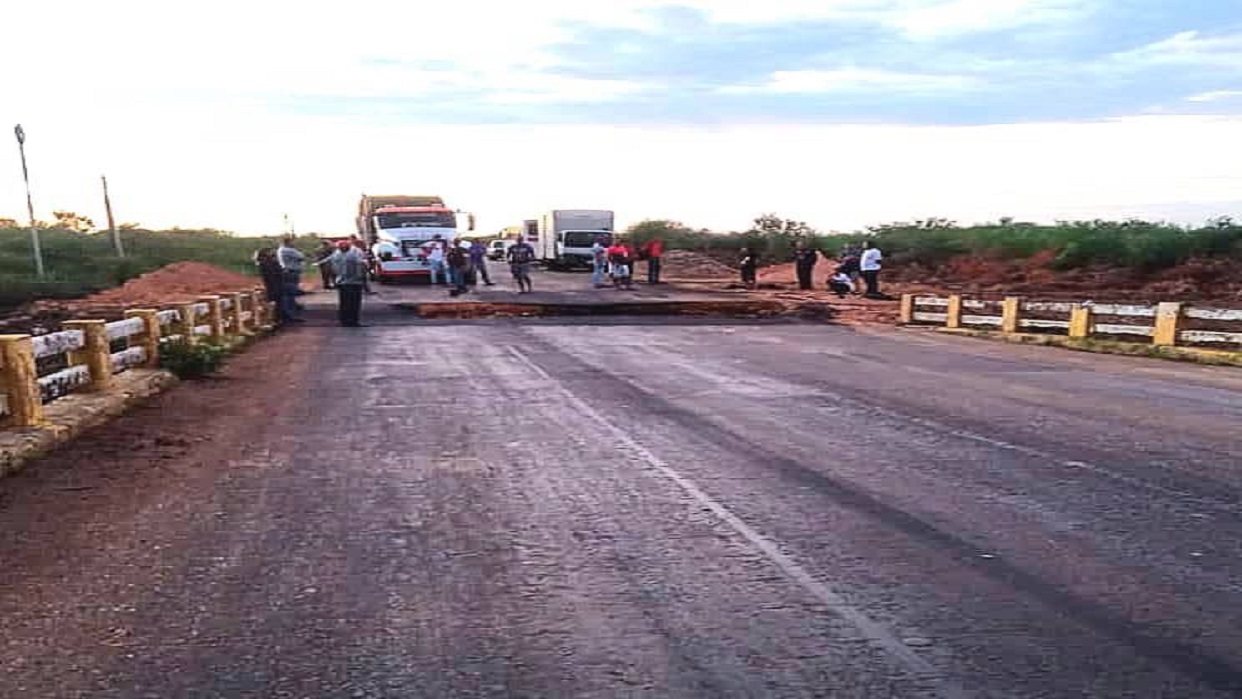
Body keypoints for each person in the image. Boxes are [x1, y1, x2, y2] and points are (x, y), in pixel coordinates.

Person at [329, 240, 367, 327]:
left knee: (344, 303)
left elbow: (333, 269)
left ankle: (344, 320)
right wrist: (362, 277)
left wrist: (336, 279)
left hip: (342, 282)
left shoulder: (336, 254)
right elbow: (361, 265)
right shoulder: (354, 253)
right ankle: (353, 321)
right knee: (354, 303)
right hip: (354, 282)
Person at [254, 248, 288, 323]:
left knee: (275, 301)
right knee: (277, 301)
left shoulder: (265, 263)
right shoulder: (269, 263)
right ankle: (278, 318)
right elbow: (273, 274)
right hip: (275, 284)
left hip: (272, 285)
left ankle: (276, 318)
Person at [276, 236, 305, 322]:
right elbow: (301, 256)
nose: (294, 243)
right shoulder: (289, 250)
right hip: (291, 272)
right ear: (288, 242)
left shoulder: (280, 249)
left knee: (289, 294)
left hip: (287, 272)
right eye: (292, 242)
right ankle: (291, 315)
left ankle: (290, 313)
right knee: (290, 294)